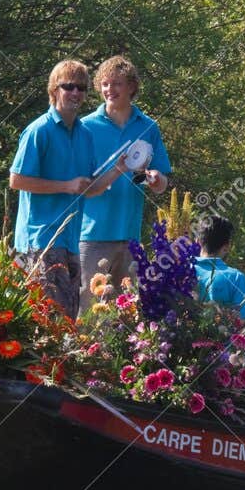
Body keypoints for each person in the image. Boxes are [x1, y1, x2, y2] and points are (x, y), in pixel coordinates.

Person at [8, 59, 119, 317]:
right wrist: (66, 185)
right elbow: (17, 180)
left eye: (81, 88)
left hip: (70, 240)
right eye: (69, 86)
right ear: (54, 90)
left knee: (66, 321)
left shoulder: (84, 134)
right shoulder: (39, 131)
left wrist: (120, 168)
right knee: (44, 322)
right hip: (39, 243)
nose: (76, 93)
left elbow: (88, 189)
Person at [79, 55, 172, 310]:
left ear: (132, 86)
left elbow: (161, 181)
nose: (109, 90)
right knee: (89, 314)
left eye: (116, 83)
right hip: (91, 236)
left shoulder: (148, 127)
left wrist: (153, 179)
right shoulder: (85, 127)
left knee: (126, 316)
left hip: (130, 237)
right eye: (105, 84)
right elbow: (79, 184)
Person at [194, 215, 245, 319]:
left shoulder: (182, 270)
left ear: (197, 241)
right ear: (226, 247)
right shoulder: (236, 278)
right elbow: (244, 321)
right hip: (221, 334)